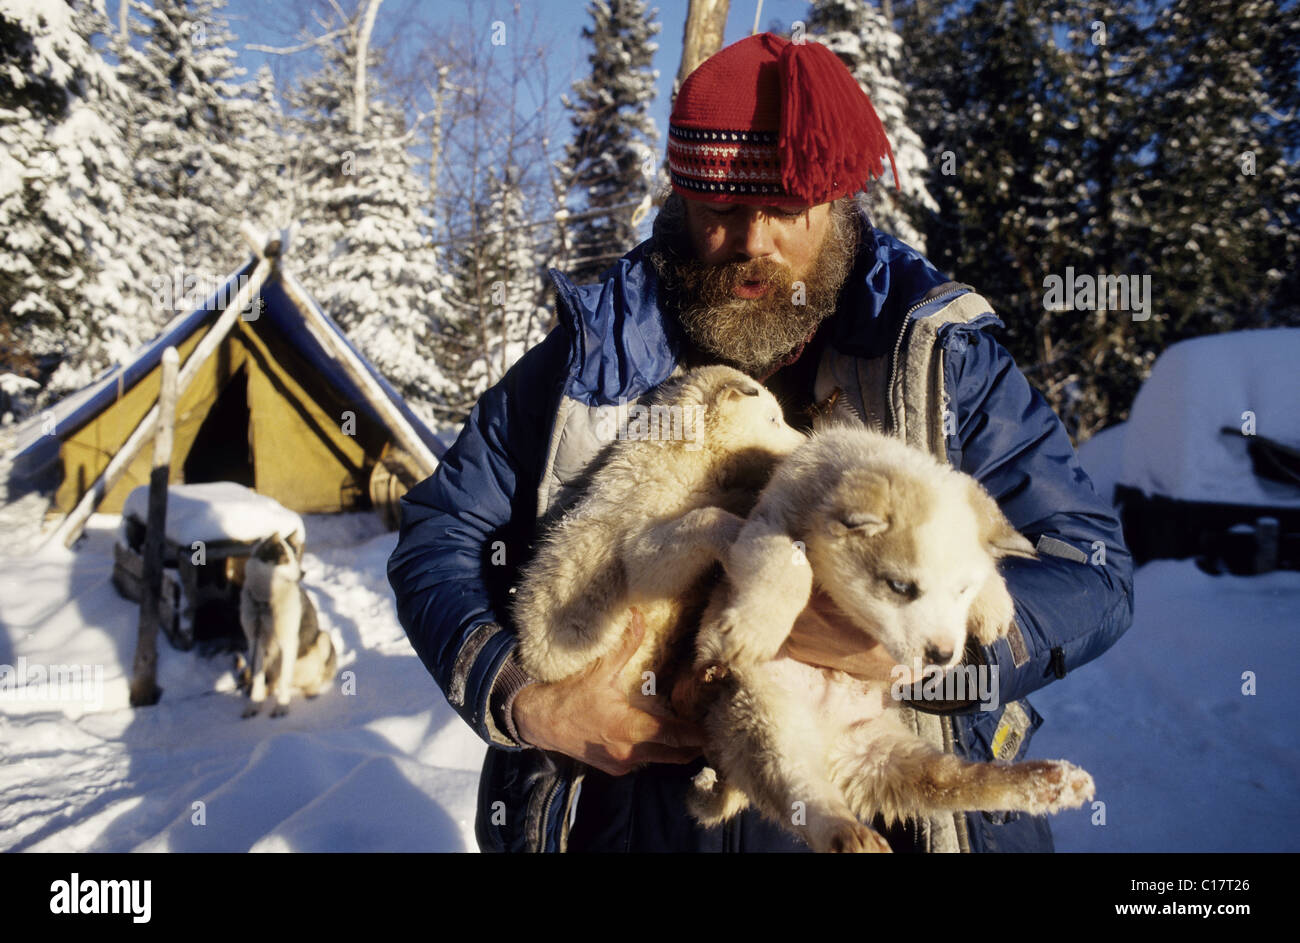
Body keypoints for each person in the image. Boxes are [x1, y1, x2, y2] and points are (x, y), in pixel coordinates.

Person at [387, 32, 1134, 853]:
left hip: (894, 805)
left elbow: (1091, 565)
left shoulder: (940, 358)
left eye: (784, 207)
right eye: (718, 209)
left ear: (838, 201)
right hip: (624, 820)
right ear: (680, 199)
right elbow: (440, 534)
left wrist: (932, 658)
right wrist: (528, 700)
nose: (751, 241)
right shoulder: (591, 357)